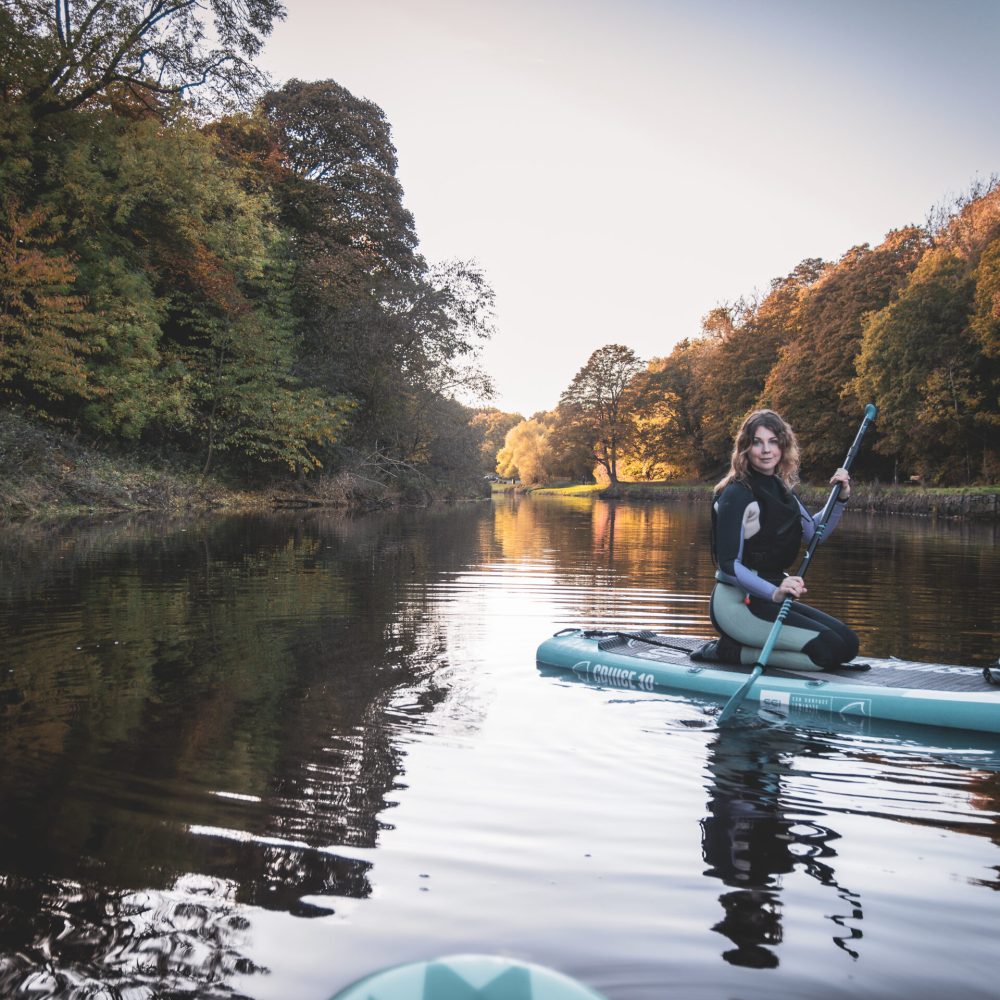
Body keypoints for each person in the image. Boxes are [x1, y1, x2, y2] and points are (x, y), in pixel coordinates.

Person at [696, 409, 860, 671]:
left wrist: (840, 498)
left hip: (771, 598)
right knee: (829, 648)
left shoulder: (783, 491)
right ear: (745, 448)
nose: (766, 450)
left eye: (773, 441)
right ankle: (732, 652)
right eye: (757, 442)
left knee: (848, 643)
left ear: (783, 446)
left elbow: (814, 533)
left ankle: (746, 649)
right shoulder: (736, 494)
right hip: (738, 606)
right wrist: (774, 592)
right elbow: (729, 564)